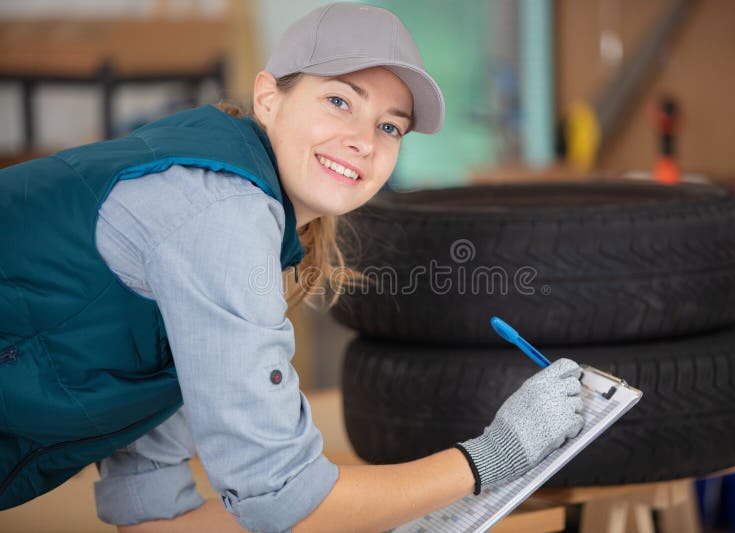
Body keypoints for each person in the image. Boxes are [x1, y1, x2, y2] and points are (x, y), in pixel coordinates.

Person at [0, 3, 584, 532]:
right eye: (339, 100)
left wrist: (388, 510)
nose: (363, 140)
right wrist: (493, 457)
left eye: (389, 126)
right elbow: (286, 500)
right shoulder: (221, 212)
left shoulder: (218, 212)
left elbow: (155, 516)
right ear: (268, 98)